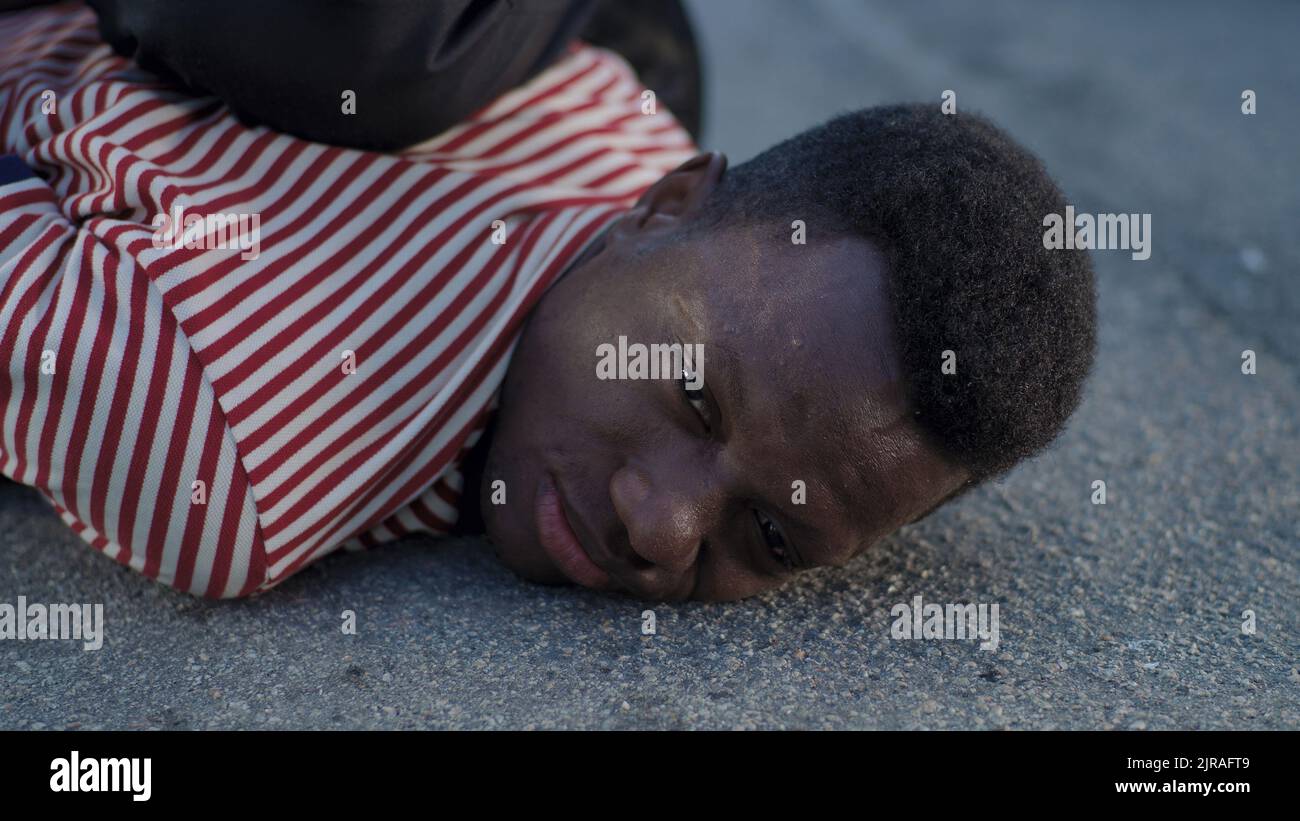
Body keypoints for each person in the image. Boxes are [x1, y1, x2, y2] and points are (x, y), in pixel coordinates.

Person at [0, 2, 1095, 602]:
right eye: (694, 401)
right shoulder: (225, 459)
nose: (658, 524)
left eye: (768, 533)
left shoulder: (618, 88)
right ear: (666, 199)